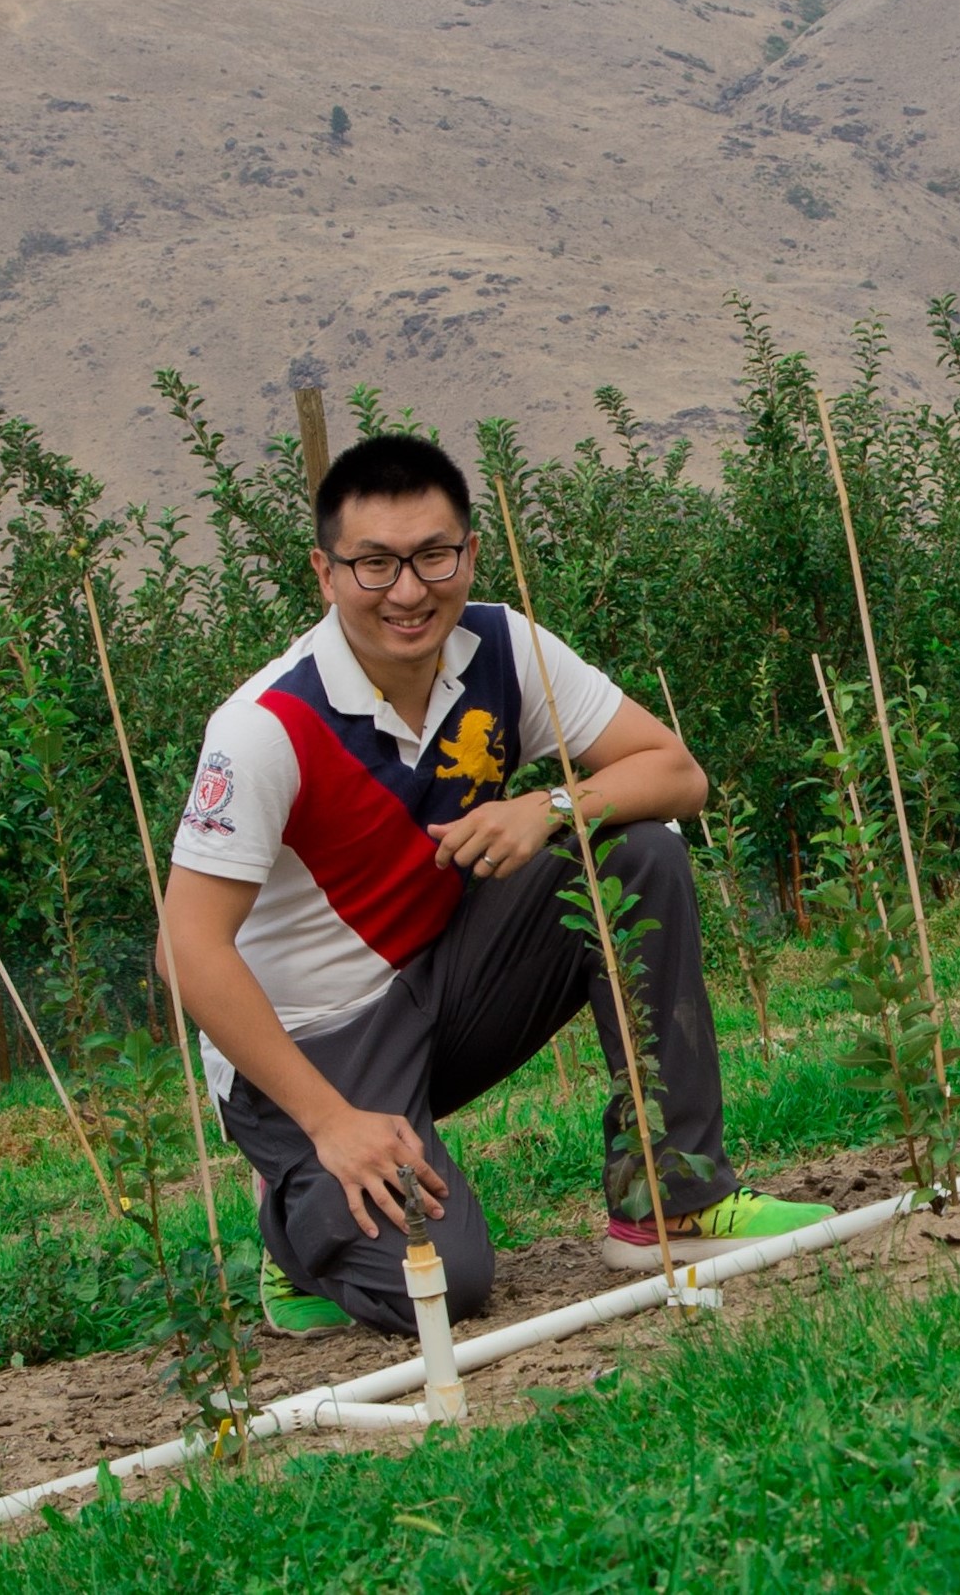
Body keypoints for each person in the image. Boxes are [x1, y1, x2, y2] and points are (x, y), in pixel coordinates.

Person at [160, 433, 833, 1339]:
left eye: (432, 556)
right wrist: (327, 1122)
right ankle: (293, 1223)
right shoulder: (262, 726)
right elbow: (185, 952)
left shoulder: (502, 644)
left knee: (635, 850)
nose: (408, 590)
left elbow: (677, 773)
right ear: (324, 572)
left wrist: (551, 804)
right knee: (447, 1287)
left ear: (467, 552)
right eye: (373, 565)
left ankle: (667, 1201)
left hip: (450, 983)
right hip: (314, 1050)